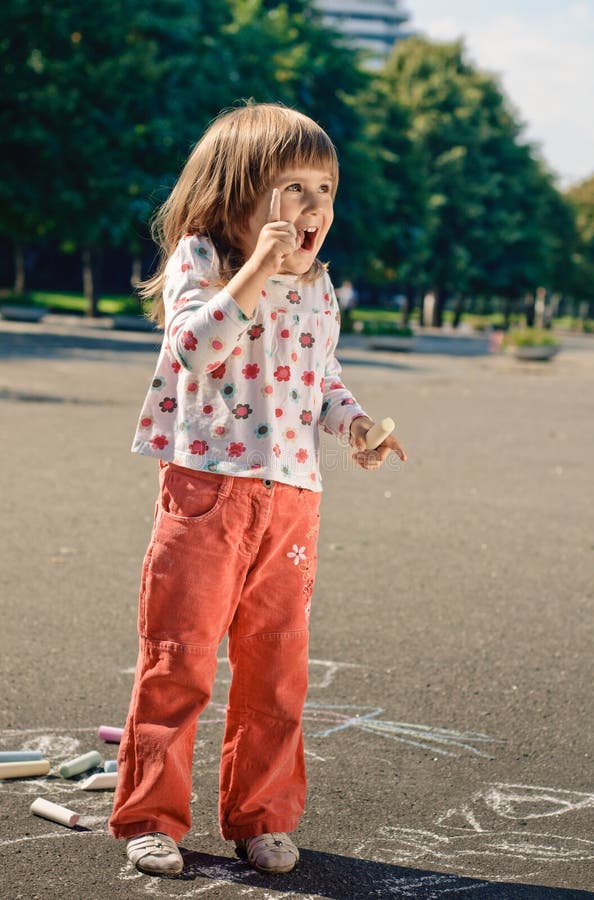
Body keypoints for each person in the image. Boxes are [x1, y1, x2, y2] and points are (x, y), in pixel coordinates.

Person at [109, 102, 407, 878]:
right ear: (239, 192)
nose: (314, 207)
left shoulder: (319, 287)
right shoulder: (204, 258)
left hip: (292, 501)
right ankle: (151, 815)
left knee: (276, 668)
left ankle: (261, 815)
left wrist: (355, 424)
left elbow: (322, 377)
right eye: (294, 188)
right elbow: (194, 348)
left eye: (325, 190)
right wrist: (258, 269)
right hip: (207, 490)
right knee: (179, 658)